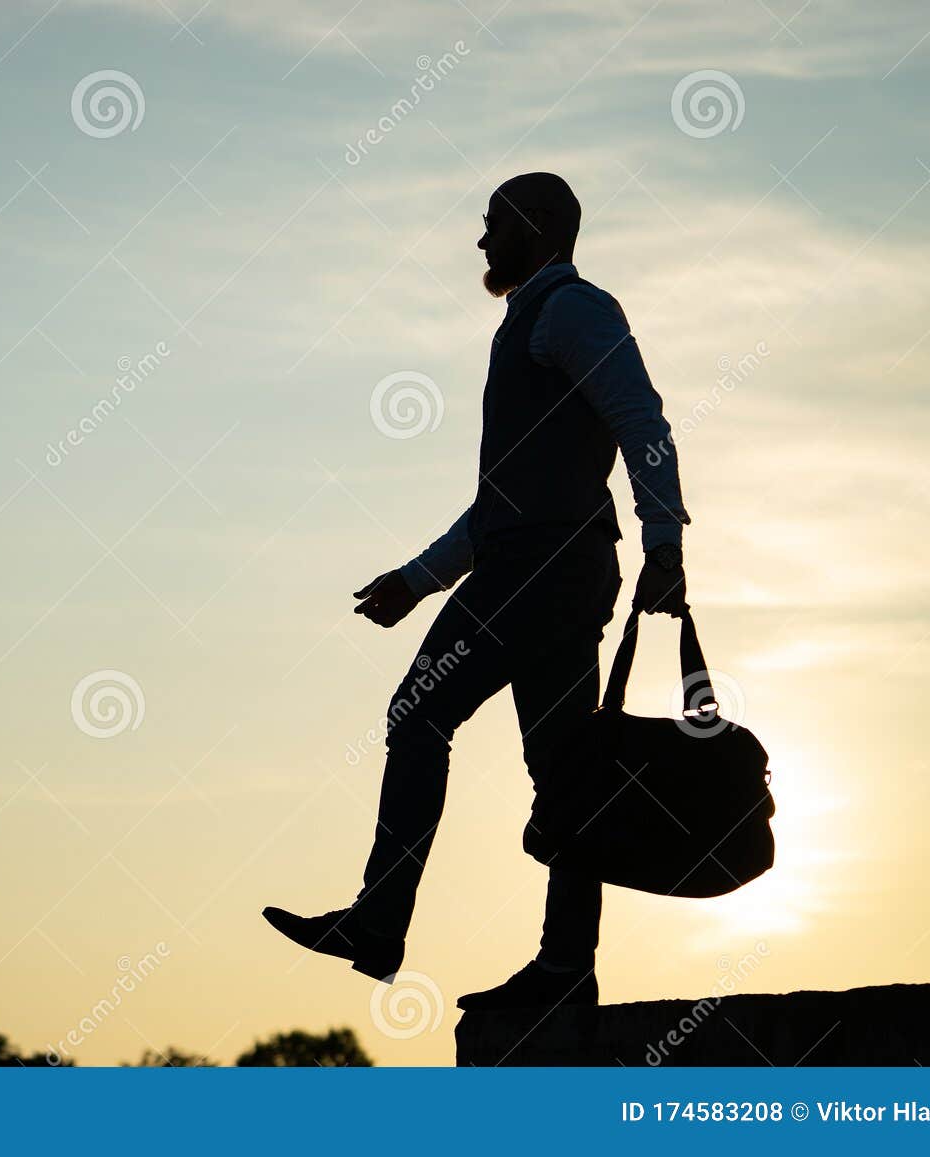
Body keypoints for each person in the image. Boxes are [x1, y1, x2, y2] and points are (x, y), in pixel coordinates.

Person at [264, 172, 690, 1010]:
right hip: (535, 567)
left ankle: (382, 924)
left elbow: (644, 422)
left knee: (422, 714)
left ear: (538, 227)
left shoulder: (574, 311)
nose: (481, 240)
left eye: (495, 224)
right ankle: (562, 971)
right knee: (562, 772)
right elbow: (504, 496)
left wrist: (665, 540)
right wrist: (418, 581)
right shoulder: (529, 321)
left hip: (541, 573)